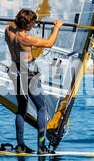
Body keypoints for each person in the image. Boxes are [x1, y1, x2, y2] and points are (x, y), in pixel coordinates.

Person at [5, 9, 62, 153]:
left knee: (21, 109)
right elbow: (49, 43)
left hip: (16, 73)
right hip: (30, 75)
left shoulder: (8, 31)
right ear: (29, 25)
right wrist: (56, 27)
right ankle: (41, 147)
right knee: (42, 108)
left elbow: (12, 26)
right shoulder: (27, 39)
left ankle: (20, 145)